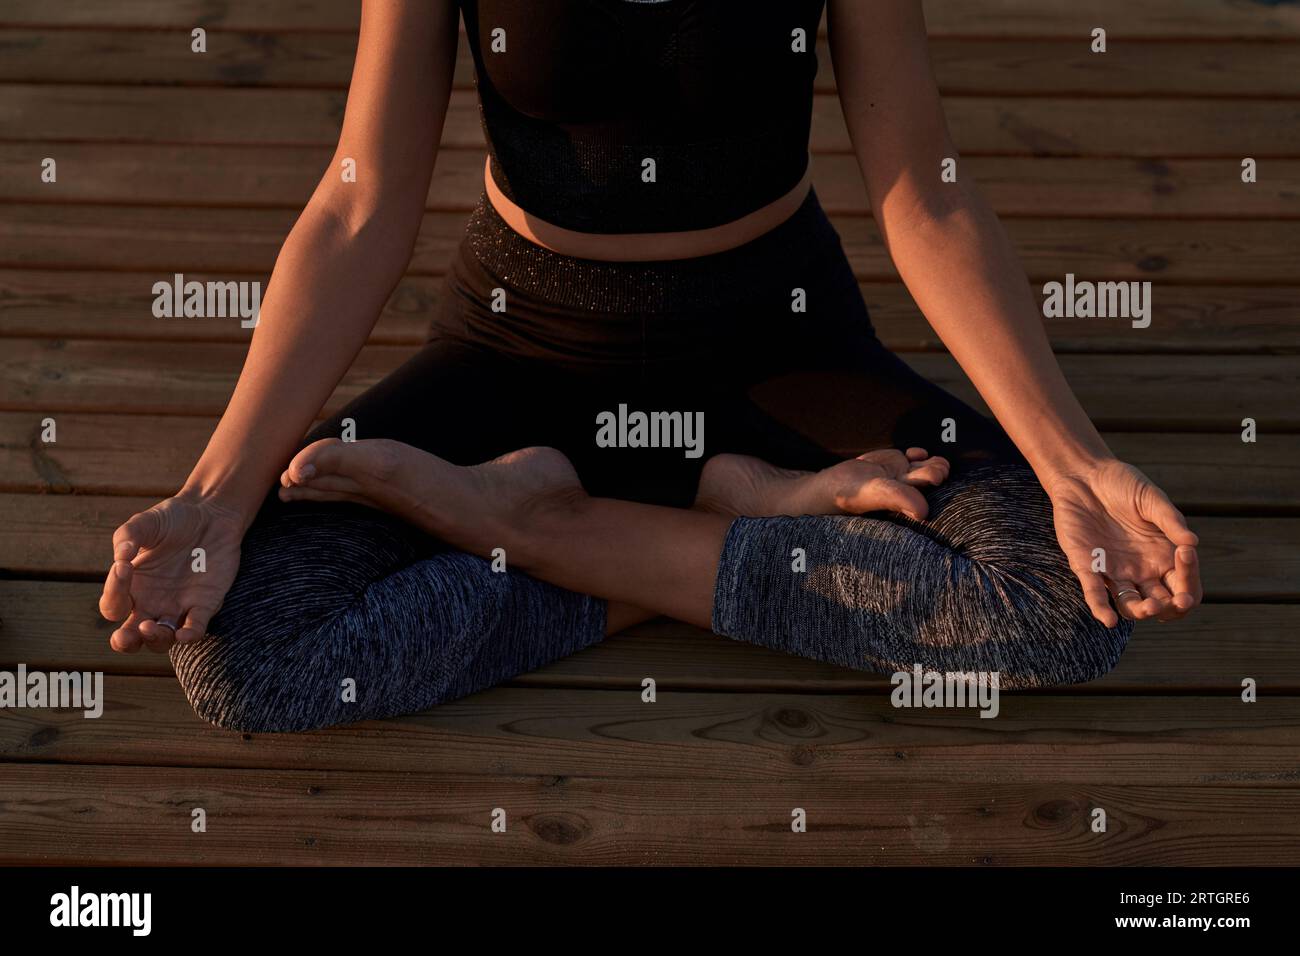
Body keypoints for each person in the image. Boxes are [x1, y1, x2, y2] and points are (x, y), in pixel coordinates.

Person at [97, 0, 1201, 733]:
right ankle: (742, 516)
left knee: (1068, 599)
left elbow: (928, 188)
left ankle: (544, 522)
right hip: (520, 343)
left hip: (779, 342)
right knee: (247, 654)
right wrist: (216, 495)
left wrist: (1072, 465)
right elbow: (357, 200)